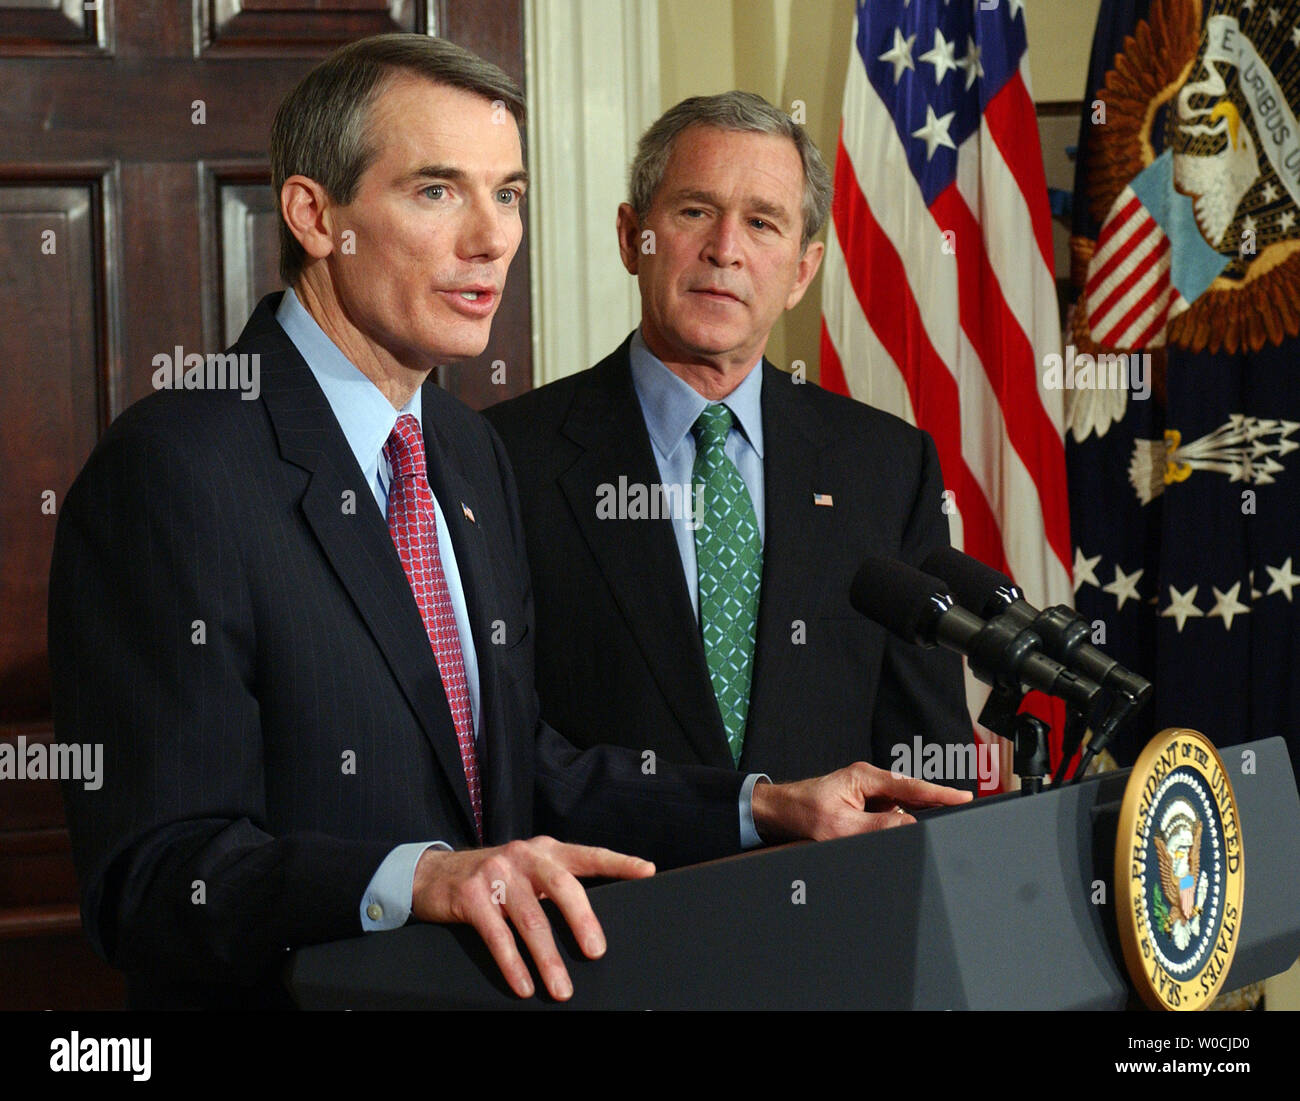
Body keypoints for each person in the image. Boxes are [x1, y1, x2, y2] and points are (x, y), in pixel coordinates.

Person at [48, 39, 970, 1009]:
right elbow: (152, 878)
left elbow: (520, 766)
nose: (490, 238)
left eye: (510, 194)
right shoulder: (176, 467)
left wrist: (760, 806)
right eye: (437, 192)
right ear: (316, 216)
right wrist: (415, 878)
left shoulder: (460, 449)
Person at [485, 92, 975, 782]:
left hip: (837, 888)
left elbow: (927, 765)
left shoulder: (887, 466)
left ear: (802, 271)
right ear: (633, 238)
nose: (725, 250)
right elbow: (498, 752)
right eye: (695, 212)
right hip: (614, 889)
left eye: (762, 223)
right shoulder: (503, 456)